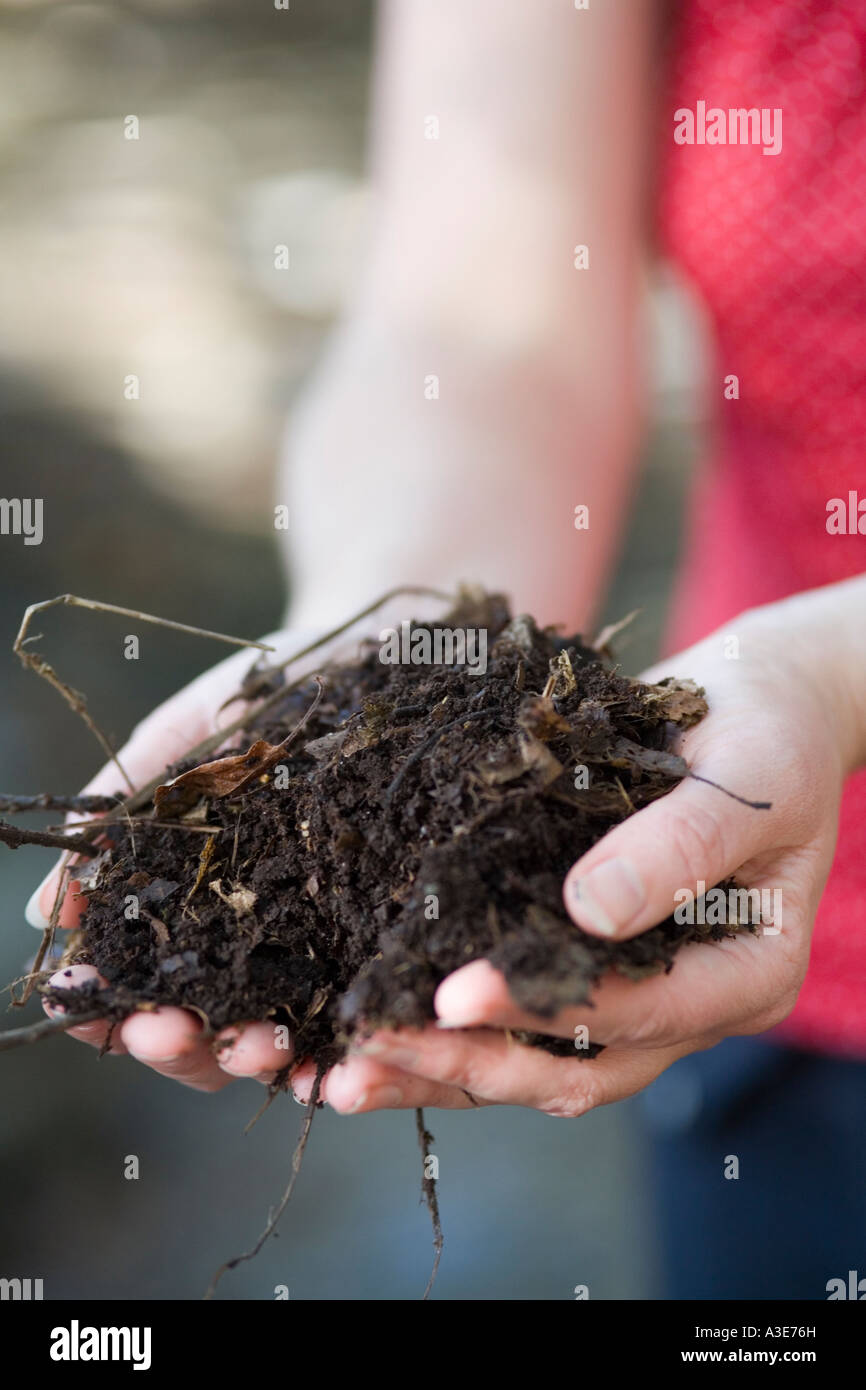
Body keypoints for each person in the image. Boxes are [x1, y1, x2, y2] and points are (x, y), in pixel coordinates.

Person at [28, 1, 866, 1297]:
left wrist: (837, 666)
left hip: (790, 749)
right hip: (756, 913)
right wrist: (382, 627)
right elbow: (485, 311)